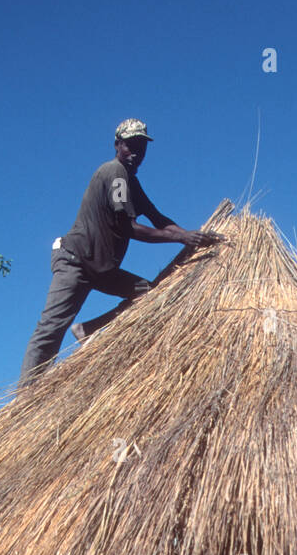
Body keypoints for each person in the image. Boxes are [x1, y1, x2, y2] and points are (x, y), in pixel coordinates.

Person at [18, 118, 224, 384]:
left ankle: (88, 329)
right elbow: (129, 228)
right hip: (76, 261)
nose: (136, 152)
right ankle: (25, 394)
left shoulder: (131, 182)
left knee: (149, 293)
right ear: (117, 145)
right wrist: (183, 237)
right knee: (51, 328)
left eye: (141, 146)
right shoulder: (114, 172)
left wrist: (189, 236)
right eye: (130, 145)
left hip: (102, 269)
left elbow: (157, 217)